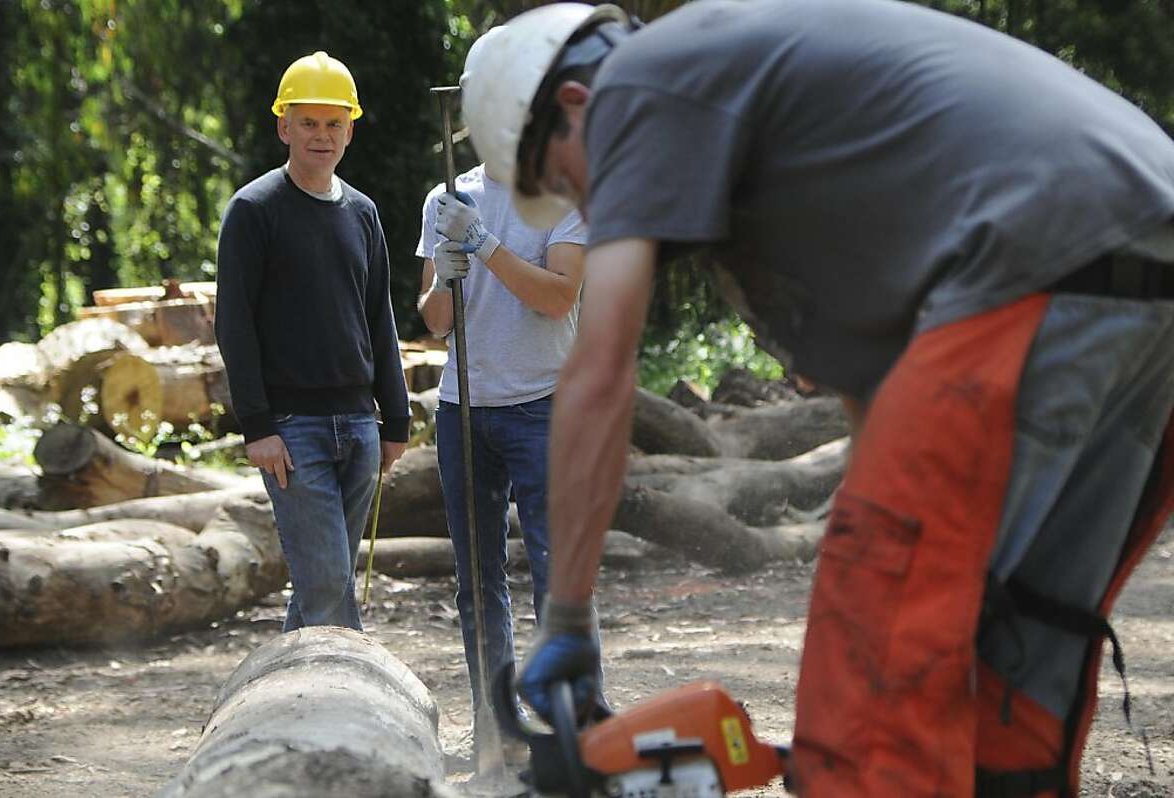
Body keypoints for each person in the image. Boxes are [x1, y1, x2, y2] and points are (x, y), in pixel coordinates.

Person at [458, 2, 1174, 796]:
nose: (586, 210)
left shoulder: (639, 81)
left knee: (872, 640)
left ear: (575, 105)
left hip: (1039, 254)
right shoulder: (787, 165)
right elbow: (878, 400)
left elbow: (599, 369)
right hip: (1143, 260)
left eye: (563, 182)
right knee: (1013, 644)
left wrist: (567, 617)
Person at [215, 51, 409, 634]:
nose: (321, 136)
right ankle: (352, 710)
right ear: (284, 126)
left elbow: (380, 317)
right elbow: (234, 326)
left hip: (358, 427)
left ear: (350, 129)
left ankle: (290, 709)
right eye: (308, 122)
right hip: (292, 433)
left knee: (320, 589)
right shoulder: (253, 210)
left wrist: (394, 418)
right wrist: (257, 426)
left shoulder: (364, 213)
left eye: (333, 123)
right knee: (328, 588)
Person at [415, 144, 590, 734]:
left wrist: (484, 245)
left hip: (545, 404)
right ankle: (496, 723)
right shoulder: (447, 196)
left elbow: (558, 296)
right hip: (463, 408)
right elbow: (435, 319)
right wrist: (443, 276)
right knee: (477, 579)